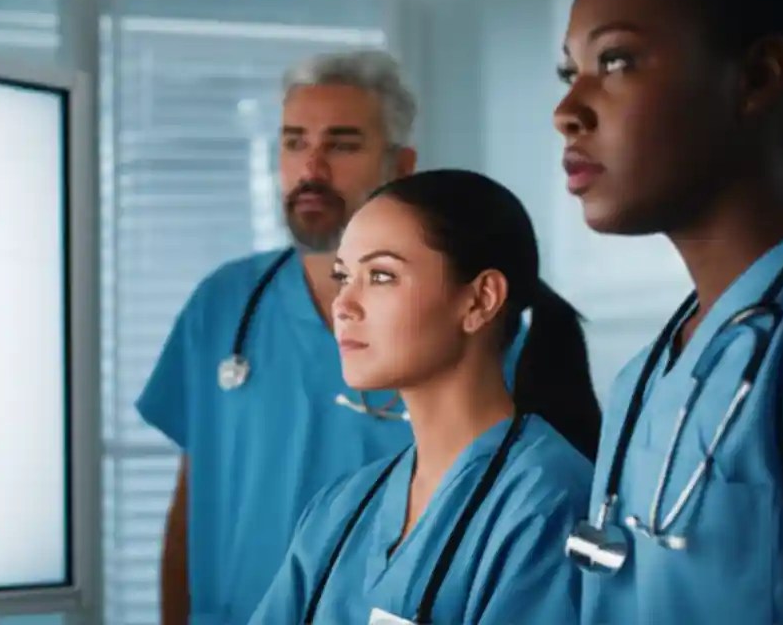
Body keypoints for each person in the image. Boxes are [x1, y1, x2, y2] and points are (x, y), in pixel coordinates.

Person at [135, 51, 528, 624]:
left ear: (401, 165)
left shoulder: (463, 324)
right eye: (294, 142)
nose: (311, 167)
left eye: (342, 144)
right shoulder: (222, 305)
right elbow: (191, 504)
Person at [554, 0, 783, 623]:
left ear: (756, 77)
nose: (568, 109)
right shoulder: (648, 376)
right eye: (570, 72)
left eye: (616, 61)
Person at [248, 169, 599, 624]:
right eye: (342, 276)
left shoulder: (548, 504)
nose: (343, 304)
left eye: (379, 275)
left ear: (479, 300)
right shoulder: (343, 509)